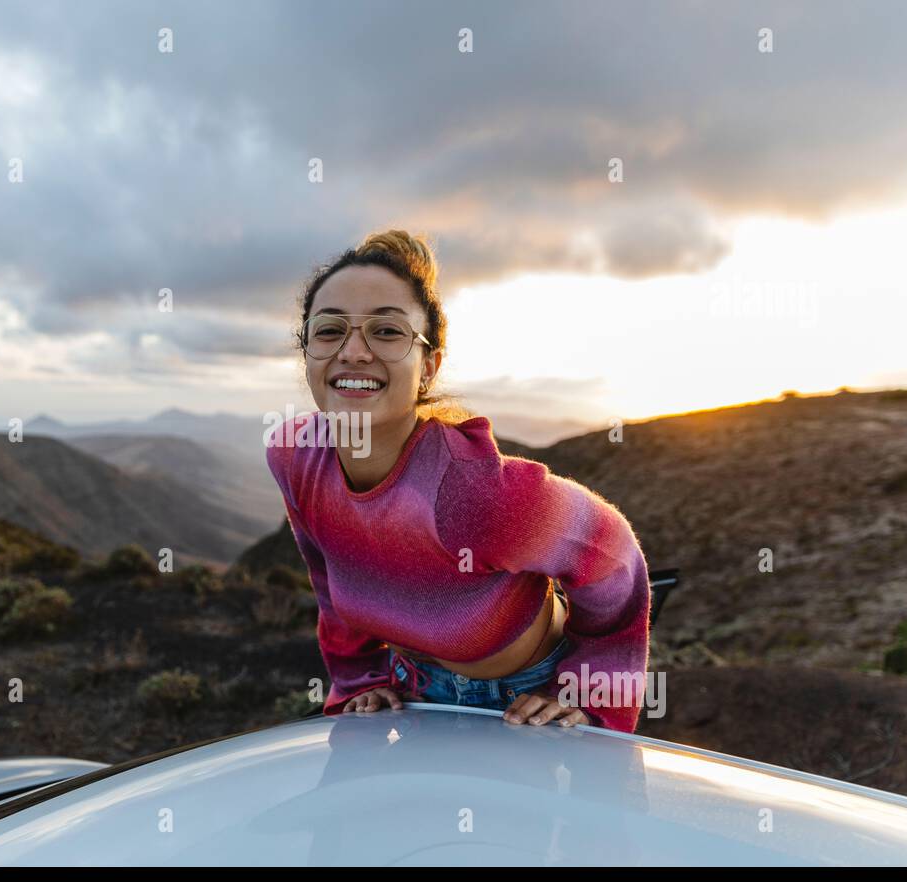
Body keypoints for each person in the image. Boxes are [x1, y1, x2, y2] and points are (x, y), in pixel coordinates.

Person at [264, 229, 651, 733]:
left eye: (386, 331)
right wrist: (361, 678)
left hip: (523, 700)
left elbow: (613, 553)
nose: (354, 352)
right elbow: (328, 575)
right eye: (329, 330)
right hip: (410, 689)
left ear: (428, 365)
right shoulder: (294, 456)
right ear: (308, 353)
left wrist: (589, 687)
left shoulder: (472, 492)